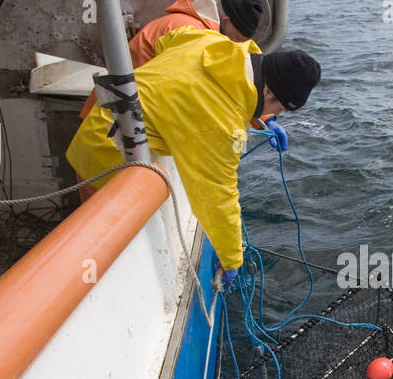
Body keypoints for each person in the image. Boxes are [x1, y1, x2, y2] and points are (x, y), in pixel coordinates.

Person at [65, 25, 320, 284]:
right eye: (278, 107)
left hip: (104, 114)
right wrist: (232, 259)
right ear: (268, 91)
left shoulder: (212, 42)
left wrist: (264, 117)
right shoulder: (221, 125)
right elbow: (217, 194)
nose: (277, 112)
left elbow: (167, 40)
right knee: (102, 245)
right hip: (108, 152)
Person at [78, 0, 266, 117]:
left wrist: (260, 117)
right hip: (112, 115)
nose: (235, 44)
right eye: (236, 37)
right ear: (226, 20)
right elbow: (204, 90)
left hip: (120, 107)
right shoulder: (194, 34)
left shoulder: (191, 23)